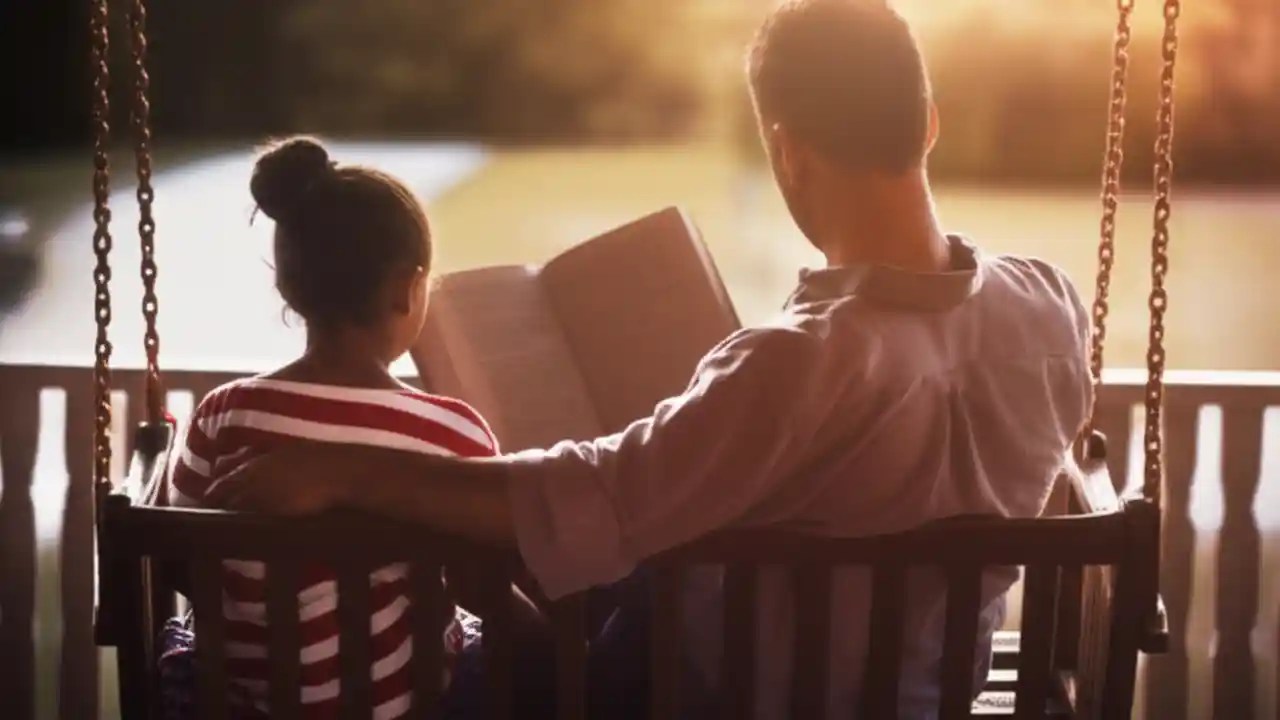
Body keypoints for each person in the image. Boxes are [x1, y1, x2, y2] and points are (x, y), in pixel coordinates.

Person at [211, 1, 1093, 717]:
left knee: (540, 600)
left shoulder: (801, 363)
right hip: (931, 697)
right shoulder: (1048, 310)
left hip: (716, 694)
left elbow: (589, 501)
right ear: (928, 124)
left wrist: (347, 470)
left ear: (788, 150)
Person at [161, 137, 543, 719]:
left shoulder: (225, 414)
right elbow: (491, 570)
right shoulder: (454, 431)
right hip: (406, 707)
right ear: (406, 289)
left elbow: (181, 557)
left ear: (286, 284)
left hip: (244, 706)